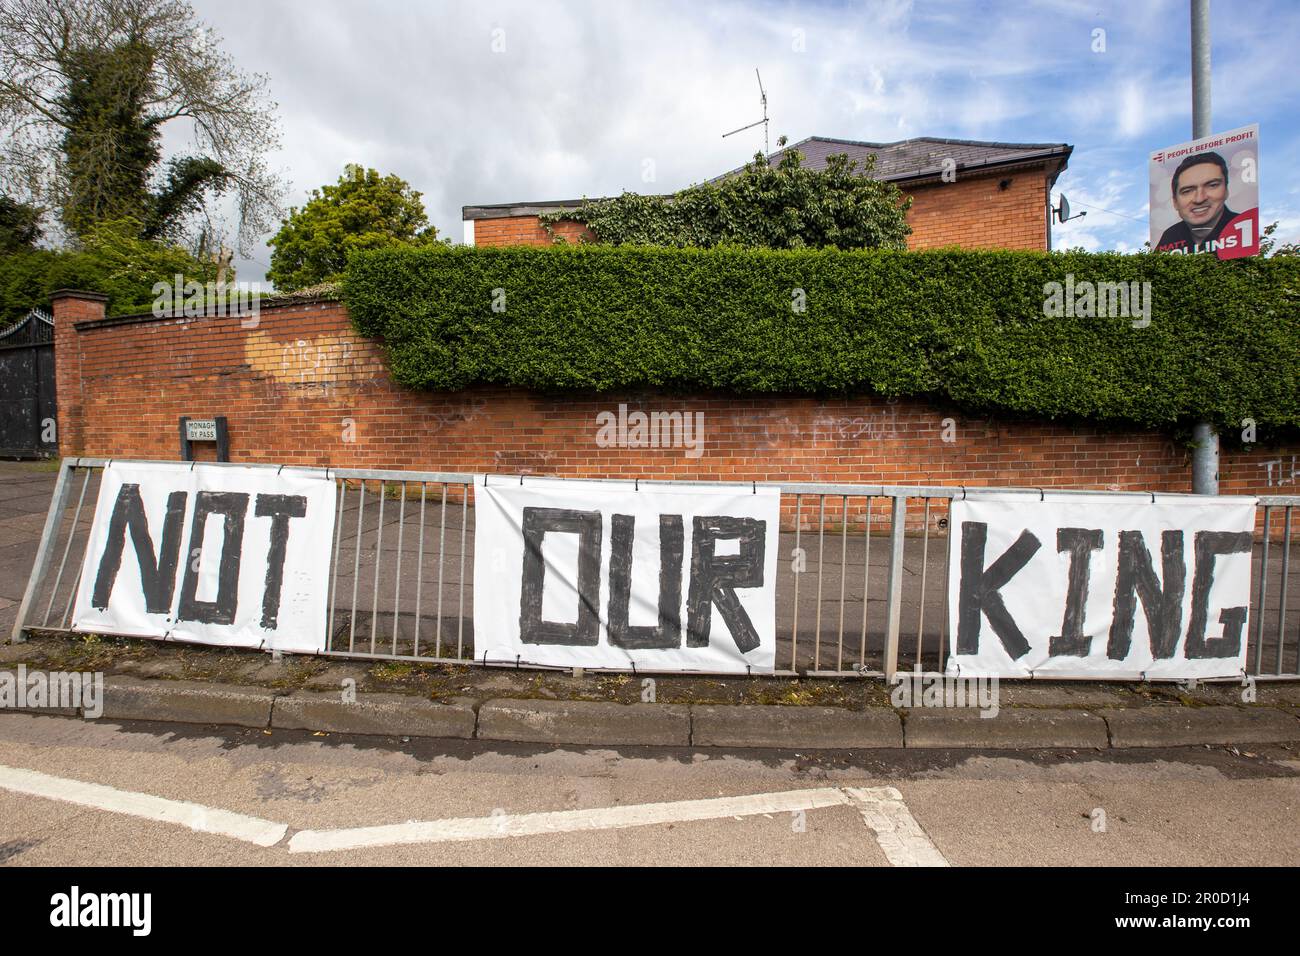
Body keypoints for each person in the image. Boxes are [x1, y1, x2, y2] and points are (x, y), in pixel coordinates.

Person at [1156, 151, 1238, 252]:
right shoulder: (1169, 237)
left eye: (1212, 185)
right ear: (1175, 202)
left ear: (1226, 190)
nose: (1199, 199)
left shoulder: (1242, 227)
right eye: (1187, 191)